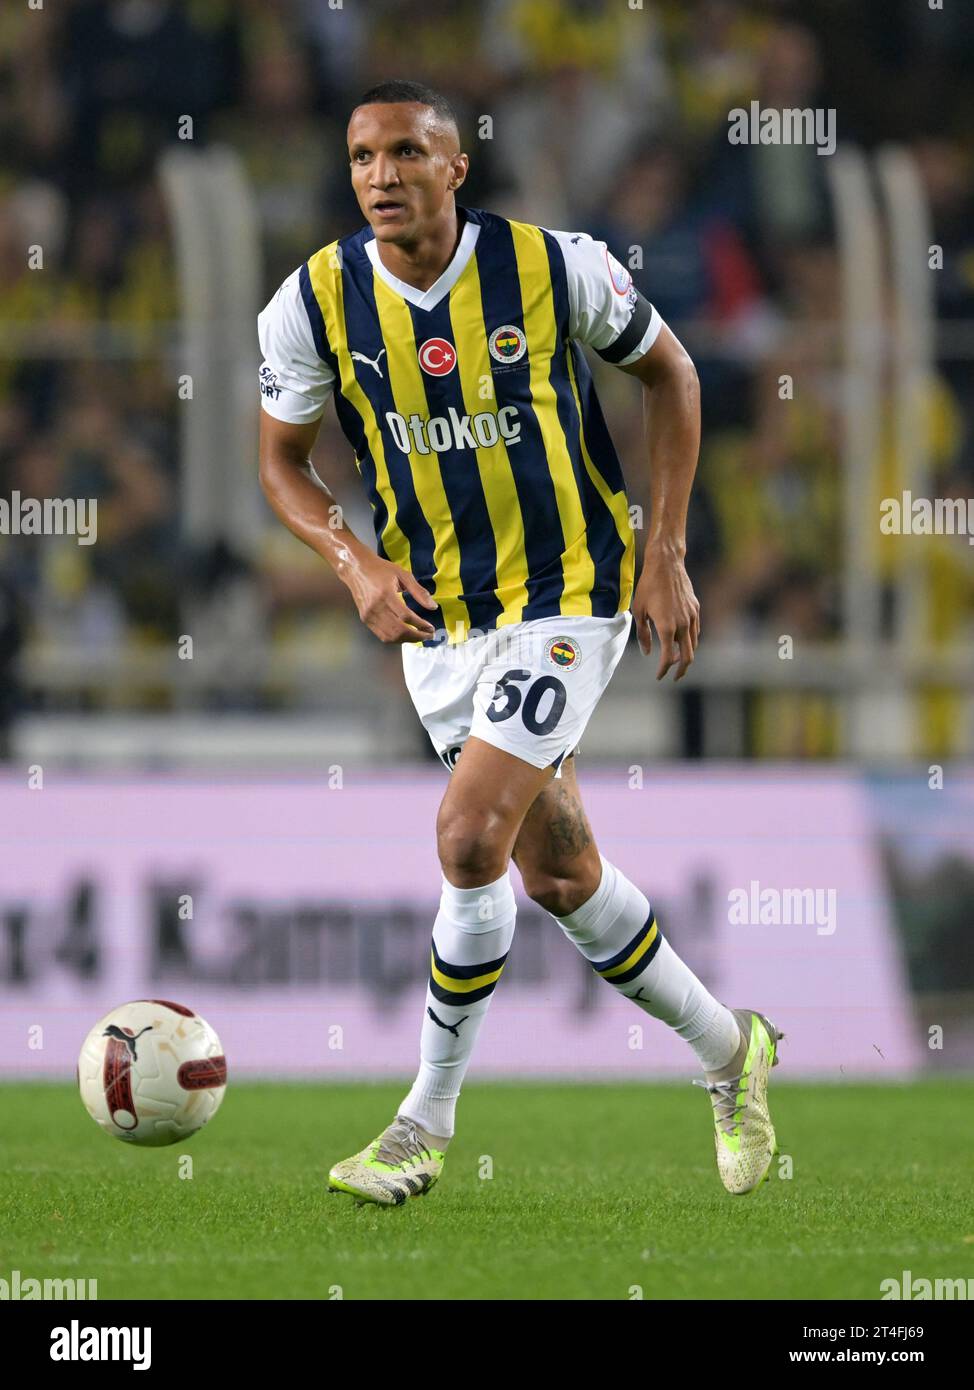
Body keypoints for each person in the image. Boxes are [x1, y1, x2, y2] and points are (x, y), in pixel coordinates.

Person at [257, 79, 782, 1206]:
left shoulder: (552, 267)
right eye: (361, 157)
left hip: (565, 594)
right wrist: (354, 565)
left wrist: (666, 550)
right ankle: (729, 1052)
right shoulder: (312, 301)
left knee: (464, 839)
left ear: (455, 168)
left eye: (405, 152)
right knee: (558, 873)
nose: (381, 176)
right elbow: (280, 462)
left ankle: (420, 1121)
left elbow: (672, 375)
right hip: (438, 620)